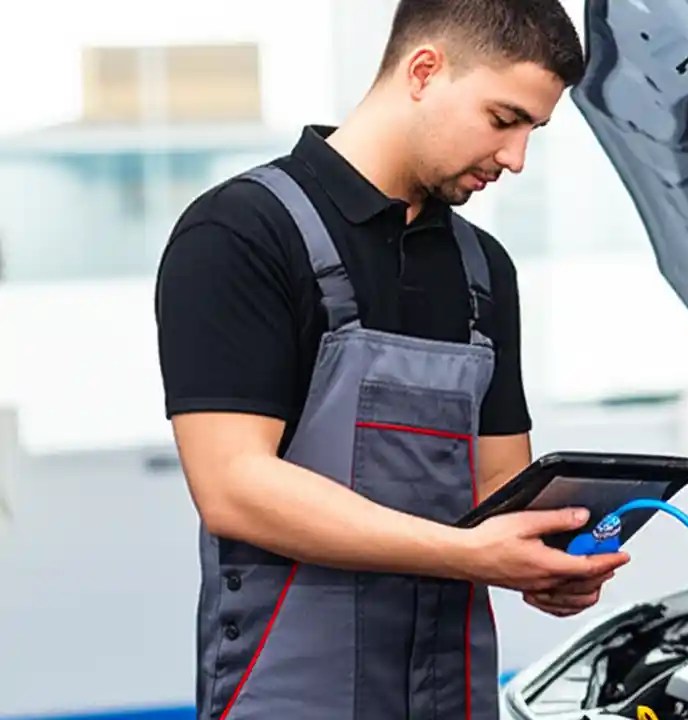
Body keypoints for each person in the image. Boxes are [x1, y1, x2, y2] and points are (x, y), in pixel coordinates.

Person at [153, 2, 629, 718]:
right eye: (503, 119)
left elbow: (500, 488)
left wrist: (547, 561)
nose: (516, 158)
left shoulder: (483, 272)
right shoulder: (241, 233)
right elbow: (233, 486)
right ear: (424, 70)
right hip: (291, 692)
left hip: (451, 691)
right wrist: (470, 555)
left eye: (534, 130)